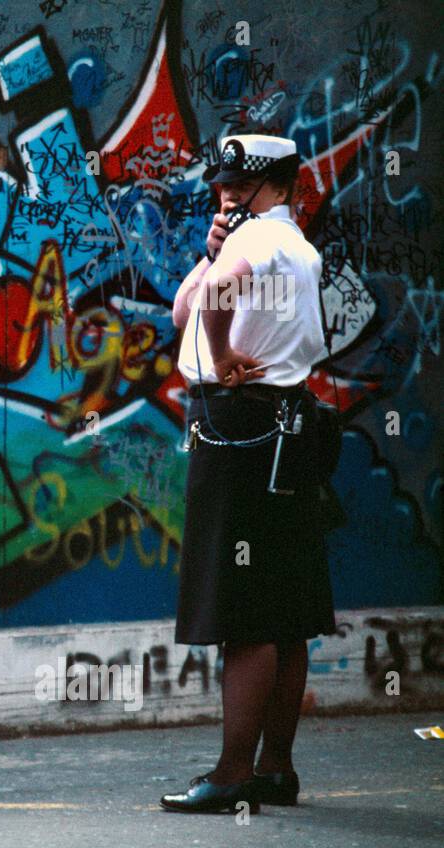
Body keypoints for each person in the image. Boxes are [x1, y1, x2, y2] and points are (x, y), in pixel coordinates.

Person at [161, 134, 335, 813]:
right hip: (287, 429)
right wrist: (209, 257)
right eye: (225, 183)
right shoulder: (295, 247)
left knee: (243, 615)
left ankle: (232, 776)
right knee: (289, 613)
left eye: (244, 184)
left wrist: (225, 348)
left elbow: (211, 309)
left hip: (240, 432)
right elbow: (186, 310)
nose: (228, 194)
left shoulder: (253, 243)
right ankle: (274, 768)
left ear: (280, 185)